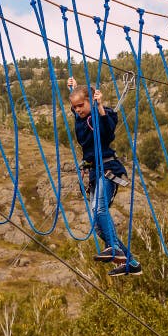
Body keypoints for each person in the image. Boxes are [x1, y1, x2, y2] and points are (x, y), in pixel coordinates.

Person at [67, 77, 142, 276]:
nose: (77, 110)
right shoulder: (82, 121)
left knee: (100, 209)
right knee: (98, 226)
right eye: (74, 108)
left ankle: (115, 248)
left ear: (91, 101)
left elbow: (107, 132)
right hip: (94, 172)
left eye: (80, 106)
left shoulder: (103, 114)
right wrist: (74, 89)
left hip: (108, 168)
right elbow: (78, 110)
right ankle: (131, 263)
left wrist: (99, 105)